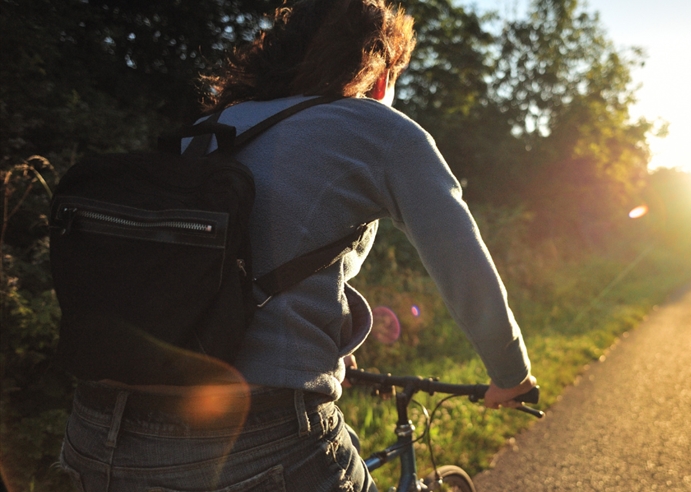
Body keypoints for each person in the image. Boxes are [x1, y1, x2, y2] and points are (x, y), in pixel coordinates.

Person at [58, 0, 536, 490]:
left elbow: (205, 278)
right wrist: (511, 373)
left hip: (92, 434)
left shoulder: (211, 129)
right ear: (379, 77)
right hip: (252, 441)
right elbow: (464, 265)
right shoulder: (379, 127)